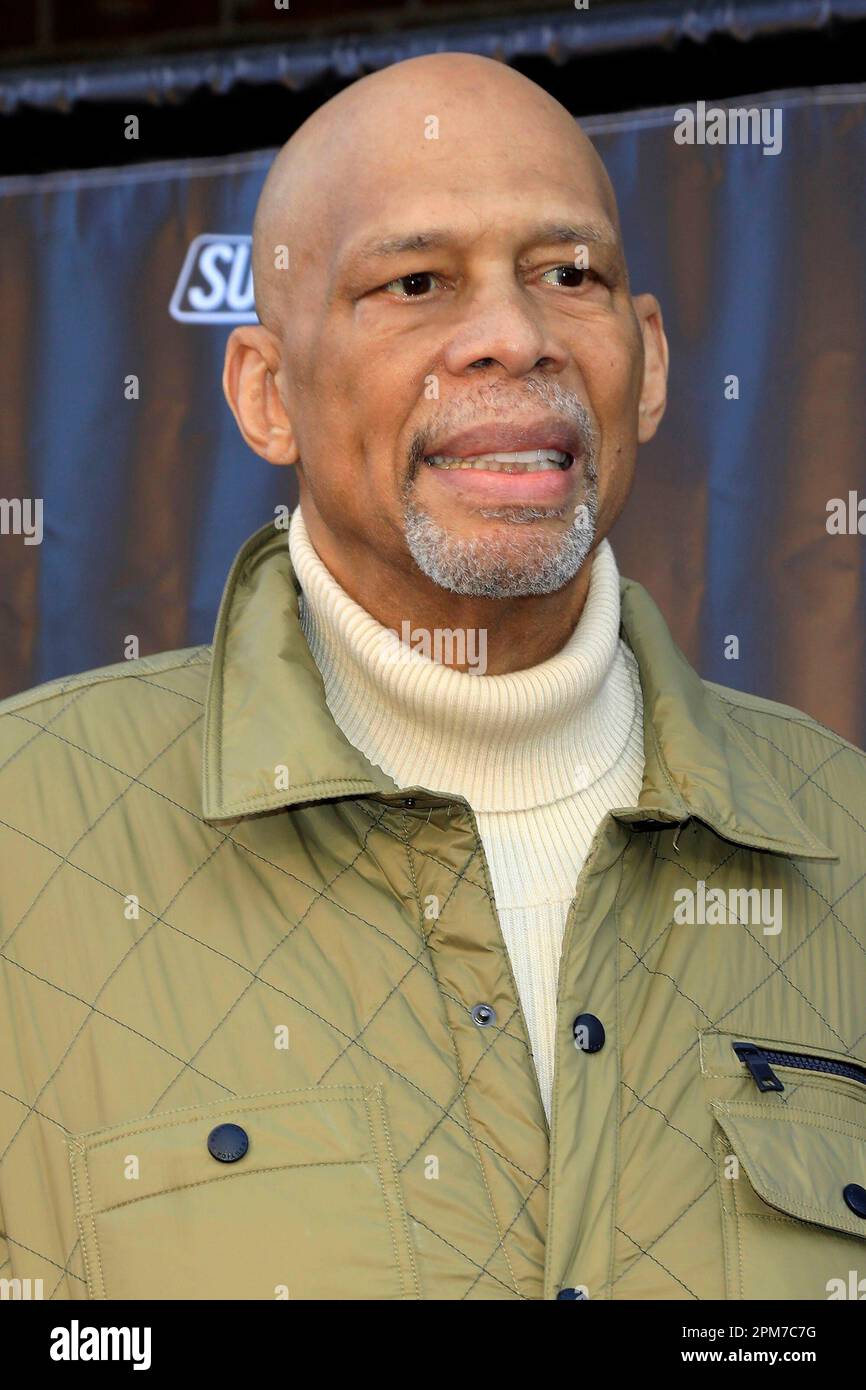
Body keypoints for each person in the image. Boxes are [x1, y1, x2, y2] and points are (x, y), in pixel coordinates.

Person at [1, 52, 864, 1303]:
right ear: (264, 394)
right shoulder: (27, 847)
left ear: (650, 359)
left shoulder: (843, 841)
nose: (512, 338)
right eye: (414, 282)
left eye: (566, 276)